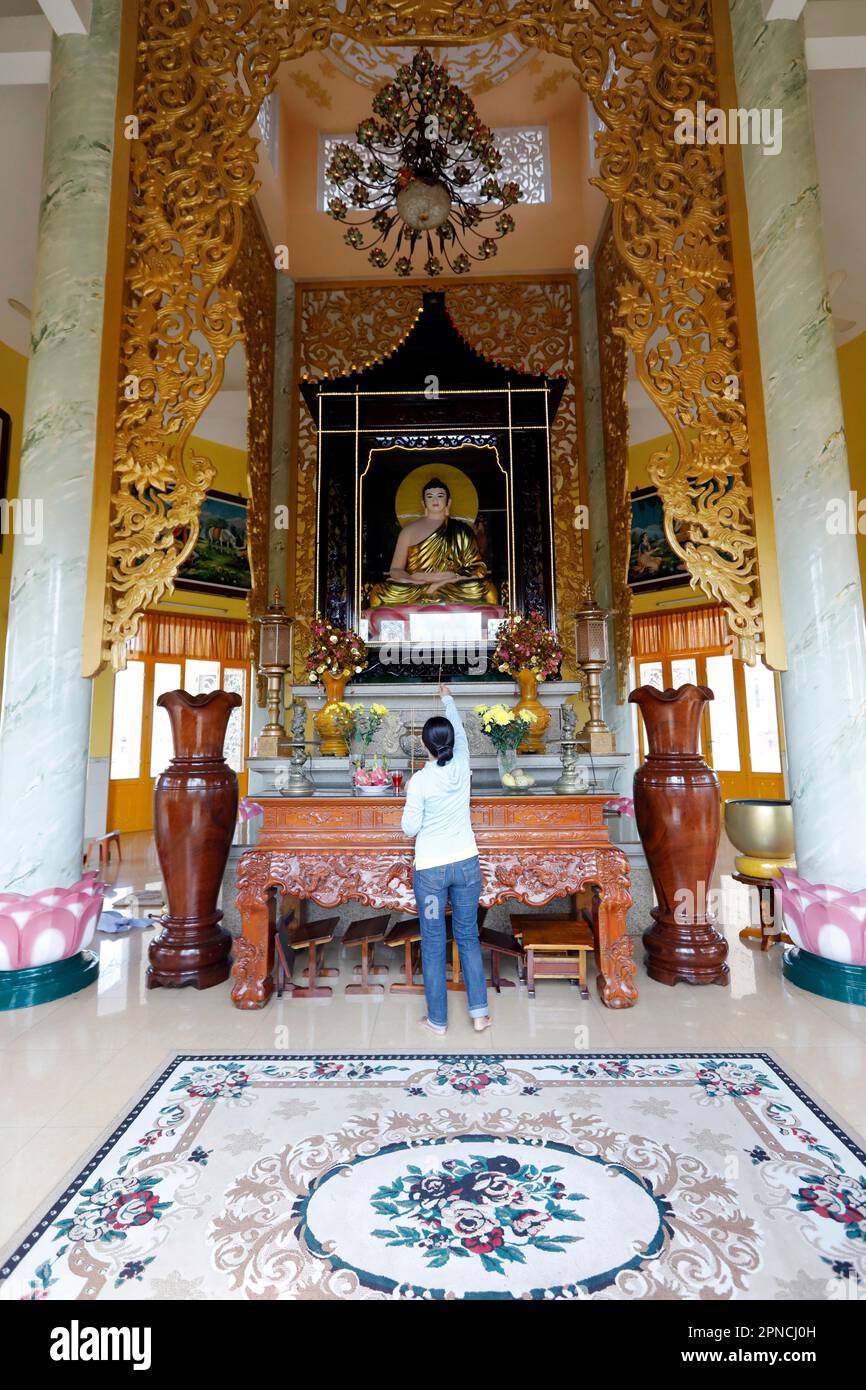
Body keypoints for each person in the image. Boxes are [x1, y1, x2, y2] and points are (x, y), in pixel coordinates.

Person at [400, 684, 491, 1035]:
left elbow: (410, 828)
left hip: (433, 875)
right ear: (452, 744)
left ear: (425, 745)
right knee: (468, 936)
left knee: (434, 941)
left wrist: (414, 806)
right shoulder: (463, 763)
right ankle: (480, 1014)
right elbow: (462, 734)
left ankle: (437, 1020)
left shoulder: (420, 781)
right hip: (467, 866)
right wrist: (448, 698)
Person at [368, 477, 498, 607]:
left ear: (449, 501)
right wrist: (412, 578)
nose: (435, 500)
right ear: (423, 502)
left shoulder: (462, 530)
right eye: (429, 496)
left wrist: (452, 576)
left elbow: (478, 568)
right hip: (416, 586)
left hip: (451, 584)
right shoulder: (408, 531)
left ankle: (433, 592)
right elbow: (395, 569)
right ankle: (434, 593)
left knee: (486, 589)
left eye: (440, 496)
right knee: (379, 591)